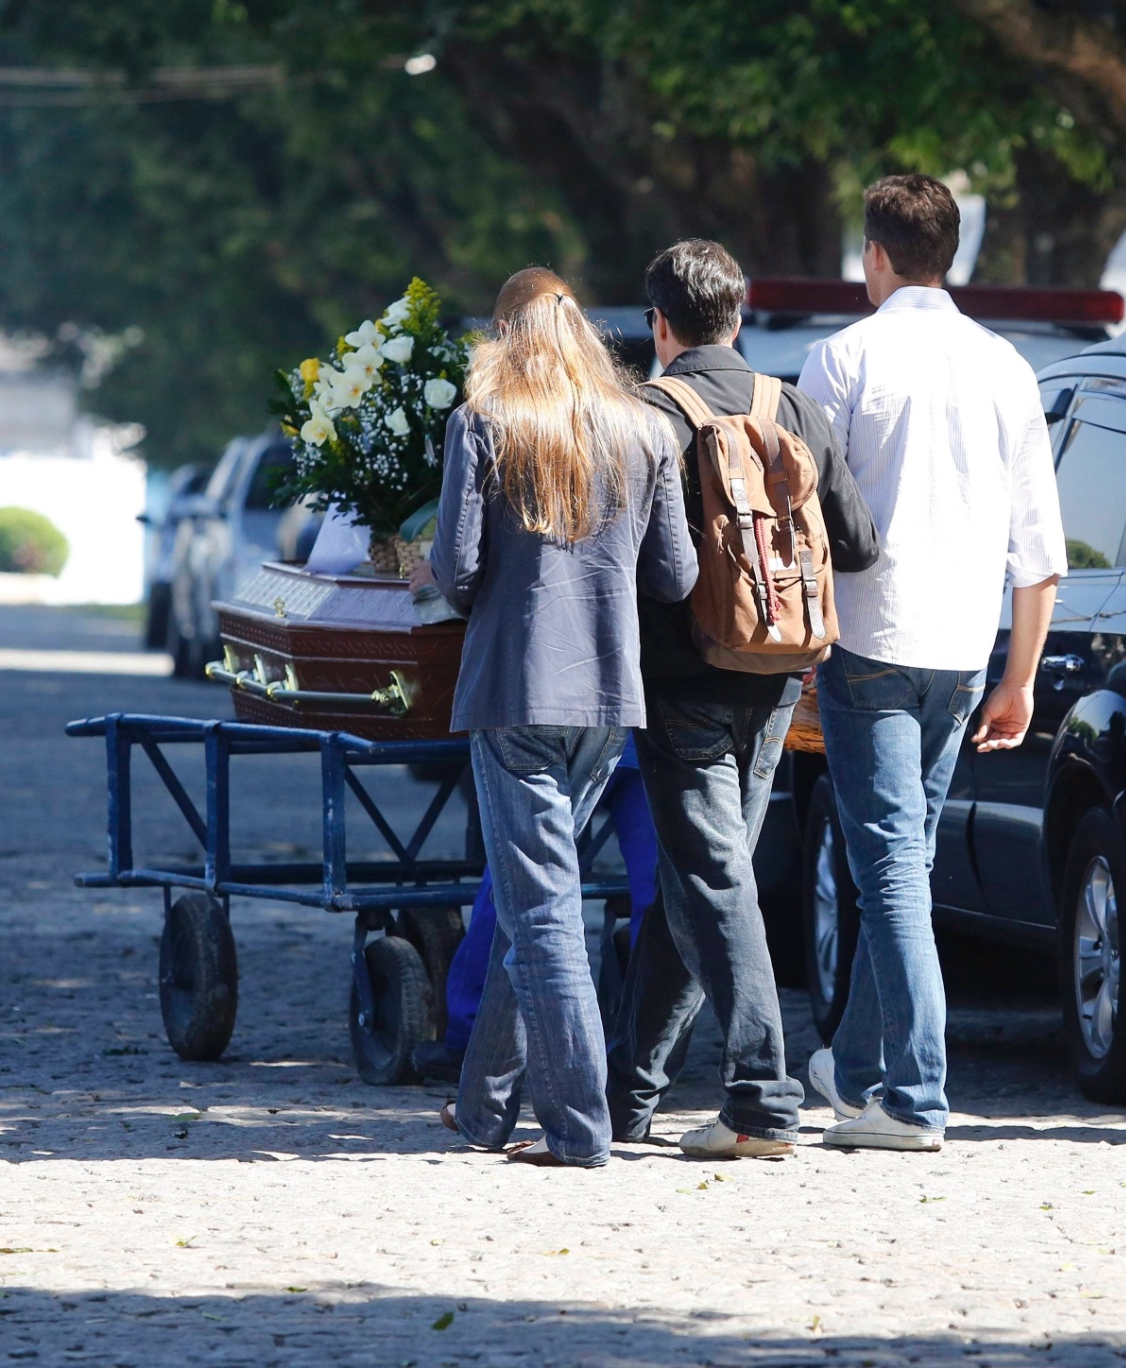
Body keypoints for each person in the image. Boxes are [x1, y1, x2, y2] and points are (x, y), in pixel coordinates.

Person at [795, 175, 1066, 1151]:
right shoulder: (1007, 368)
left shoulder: (841, 359)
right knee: (900, 862)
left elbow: (800, 521)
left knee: (891, 873)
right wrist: (1020, 678)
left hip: (867, 642)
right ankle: (859, 1071)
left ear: (874, 256)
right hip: (963, 650)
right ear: (951, 255)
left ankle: (915, 1098)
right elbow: (1040, 551)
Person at [605, 239, 880, 1159]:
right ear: (738, 313)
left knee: (712, 882)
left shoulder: (646, 413)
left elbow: (625, 566)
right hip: (774, 677)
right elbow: (860, 544)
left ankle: (763, 1100)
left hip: (678, 680)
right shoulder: (791, 404)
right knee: (695, 885)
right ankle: (625, 1098)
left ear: (659, 324)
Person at [431, 266, 696, 1167]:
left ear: (506, 338)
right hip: (608, 696)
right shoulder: (646, 427)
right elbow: (676, 577)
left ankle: (580, 1126)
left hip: (513, 687)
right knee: (529, 899)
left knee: (542, 914)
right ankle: (483, 1111)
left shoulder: (483, 422)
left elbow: (454, 571)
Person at [416, 736, 660, 1081]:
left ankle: (470, 1039)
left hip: (554, 729)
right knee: (658, 889)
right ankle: (647, 1051)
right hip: (638, 728)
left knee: (518, 872)